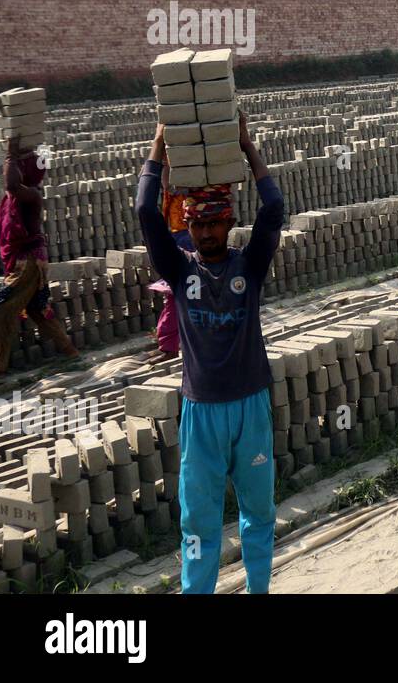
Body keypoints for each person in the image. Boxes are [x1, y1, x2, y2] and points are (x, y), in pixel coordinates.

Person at [135, 112, 285, 594]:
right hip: (200, 414)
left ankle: (258, 589)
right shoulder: (181, 275)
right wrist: (159, 144)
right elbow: (144, 212)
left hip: (250, 408)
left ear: (228, 222)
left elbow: (274, 207)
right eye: (198, 225)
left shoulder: (251, 267)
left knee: (259, 512)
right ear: (189, 228)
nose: (205, 234)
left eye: (214, 223)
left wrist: (245, 145)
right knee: (198, 524)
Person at [0, 139, 78, 375]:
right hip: (26, 262)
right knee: (36, 309)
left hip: (28, 264)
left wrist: (11, 155)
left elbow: (11, 184)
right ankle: (70, 350)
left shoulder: (30, 195)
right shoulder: (10, 200)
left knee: (0, 310)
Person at [145, 155, 194, 362]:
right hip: (177, 235)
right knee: (177, 295)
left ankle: (170, 346)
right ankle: (169, 344)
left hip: (186, 237)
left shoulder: (190, 182)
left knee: (179, 294)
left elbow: (171, 186)